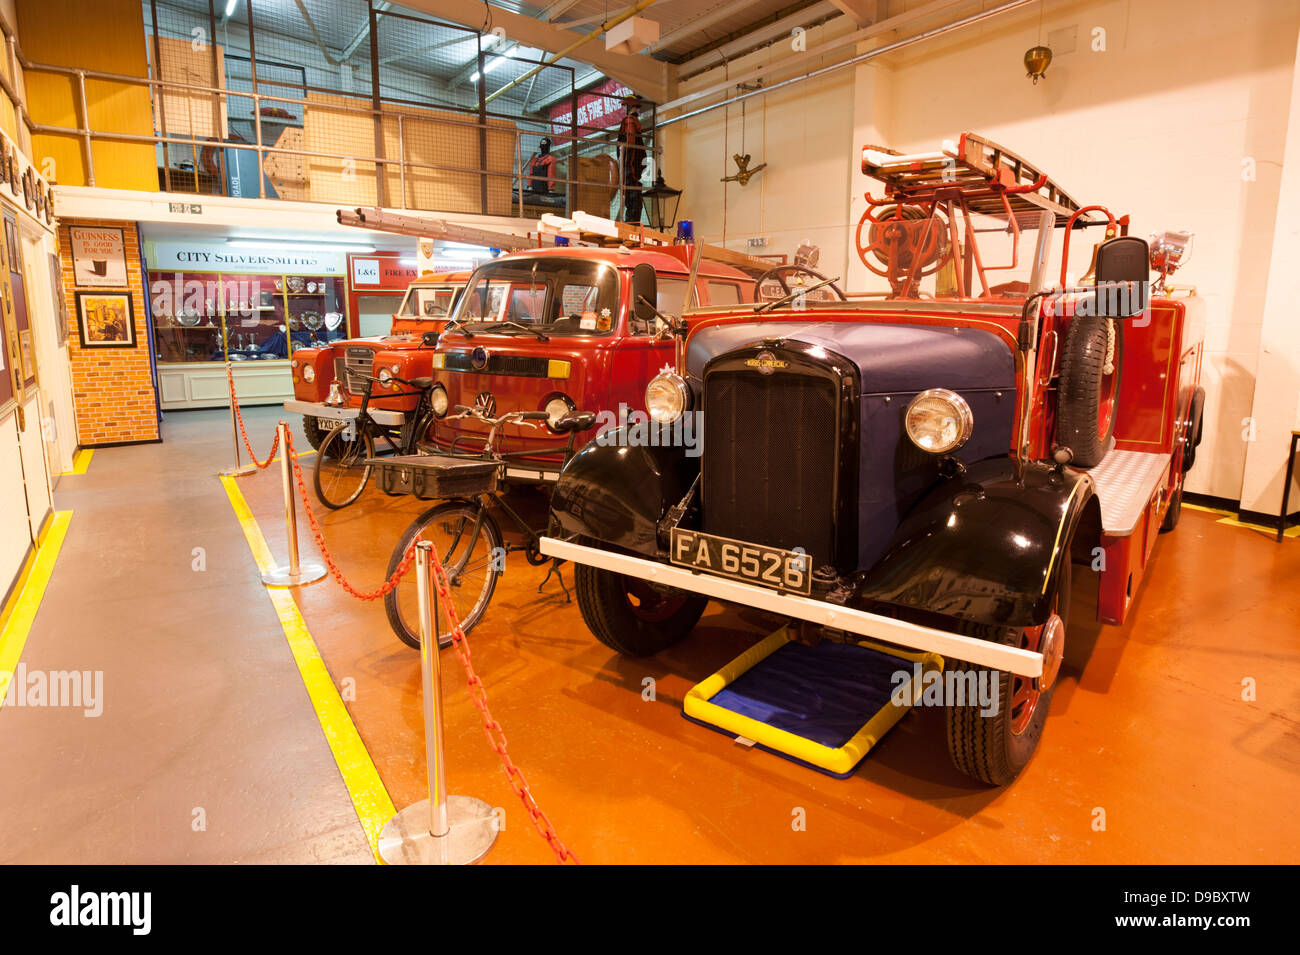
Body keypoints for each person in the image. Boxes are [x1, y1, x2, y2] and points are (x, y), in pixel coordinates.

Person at [618, 96, 647, 222]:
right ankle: (632, 223)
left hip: (629, 165)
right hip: (634, 165)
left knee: (631, 196)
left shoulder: (629, 120)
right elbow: (632, 142)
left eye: (625, 106)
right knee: (634, 195)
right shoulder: (632, 121)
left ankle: (631, 223)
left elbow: (629, 142)